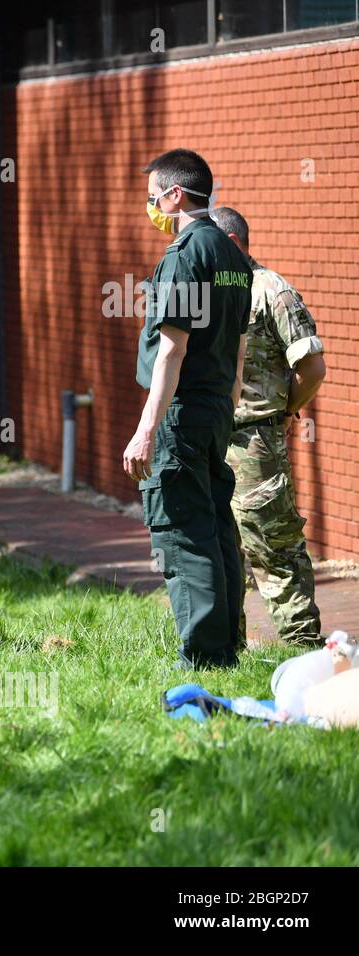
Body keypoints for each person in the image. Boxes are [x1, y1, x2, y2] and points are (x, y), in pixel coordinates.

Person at [123, 149, 250, 669]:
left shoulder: (185, 254)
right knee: (217, 527)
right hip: (217, 407)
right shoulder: (232, 255)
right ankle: (226, 647)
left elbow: (172, 350)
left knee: (182, 531)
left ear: (176, 195)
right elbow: (239, 347)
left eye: (154, 196)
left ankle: (201, 656)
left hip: (182, 412)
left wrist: (146, 428)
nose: (151, 206)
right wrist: (228, 401)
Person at [209, 206, 326, 647]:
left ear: (232, 244)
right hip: (211, 440)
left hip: (256, 442)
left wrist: (282, 411)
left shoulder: (271, 290)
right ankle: (225, 655)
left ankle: (305, 655)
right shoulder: (208, 292)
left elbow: (312, 367)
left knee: (273, 550)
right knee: (222, 553)